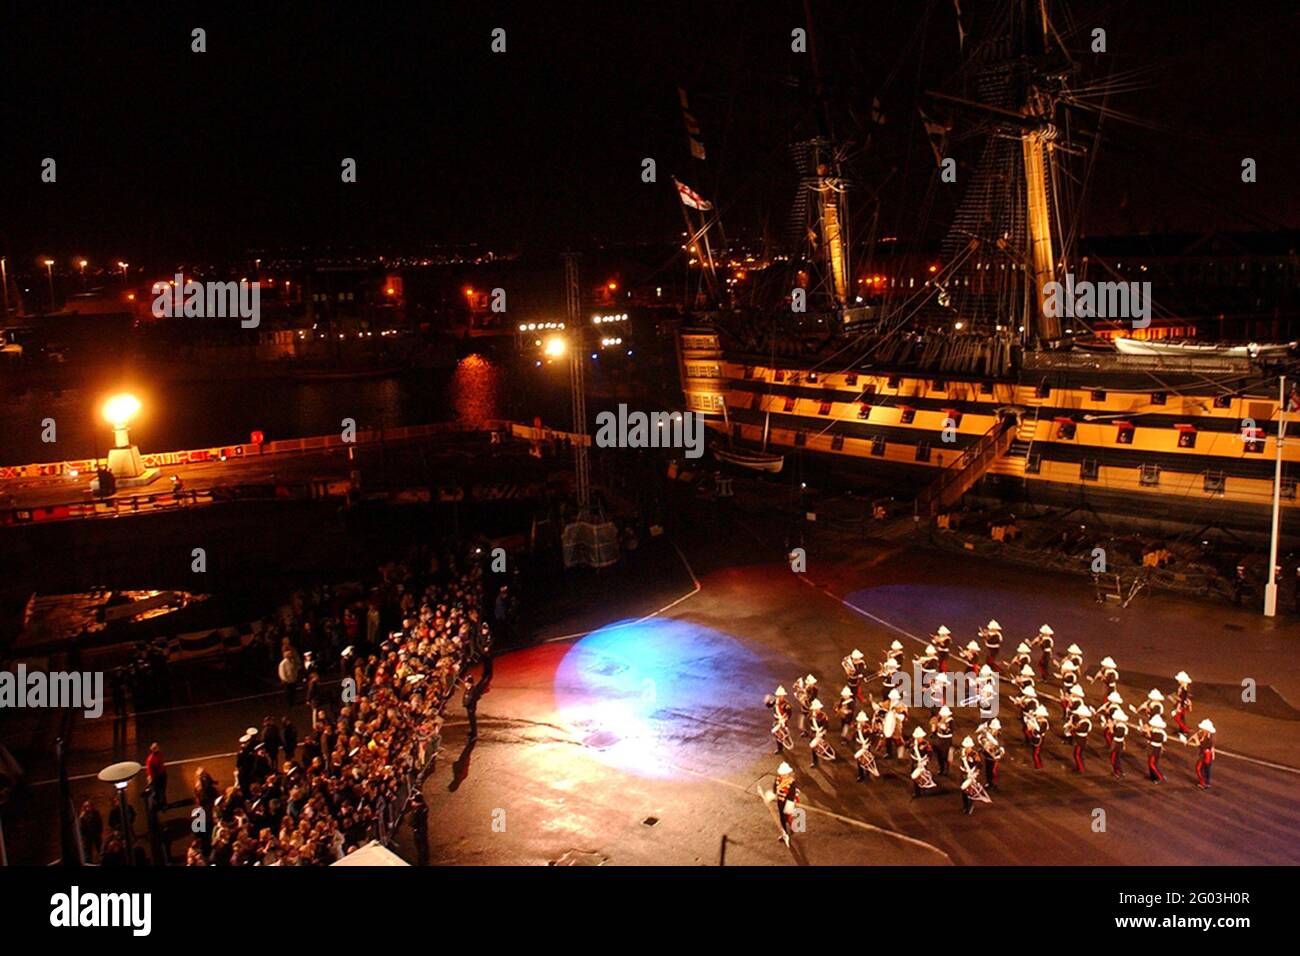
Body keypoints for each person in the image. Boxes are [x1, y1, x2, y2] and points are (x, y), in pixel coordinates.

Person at [1189, 718, 1216, 789]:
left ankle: (1204, 783)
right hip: (1204, 755)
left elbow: (1202, 747)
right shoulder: (1205, 736)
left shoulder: (1209, 739)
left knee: (1199, 768)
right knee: (1204, 769)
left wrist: (1196, 740)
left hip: (1206, 756)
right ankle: (1206, 782)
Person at [774, 762, 798, 840]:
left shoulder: (791, 781)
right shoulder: (778, 779)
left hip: (788, 802)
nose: (783, 775)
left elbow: (792, 794)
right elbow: (775, 788)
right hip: (780, 801)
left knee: (788, 817)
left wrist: (789, 803)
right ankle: (784, 832)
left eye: (785, 774)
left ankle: (793, 827)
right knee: (782, 818)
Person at [1143, 714, 1168, 783]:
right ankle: (1153, 777)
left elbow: (1152, 738)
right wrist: (1145, 730)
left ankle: (1160, 777)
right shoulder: (1153, 730)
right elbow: (1145, 736)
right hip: (1152, 748)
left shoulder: (1161, 733)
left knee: (1152, 763)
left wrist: (1148, 731)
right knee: (1150, 763)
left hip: (1156, 749)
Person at [930, 705, 954, 775]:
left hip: (946, 740)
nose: (943, 716)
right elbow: (935, 728)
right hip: (939, 739)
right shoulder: (939, 719)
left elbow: (951, 730)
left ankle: (946, 769)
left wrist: (945, 728)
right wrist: (934, 729)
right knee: (939, 755)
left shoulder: (950, 721)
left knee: (945, 755)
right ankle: (941, 768)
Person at [145, 742, 168, 810]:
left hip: (162, 775)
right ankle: (158, 804)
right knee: (157, 791)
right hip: (157, 777)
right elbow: (150, 770)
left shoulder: (159, 755)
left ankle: (163, 804)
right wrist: (151, 778)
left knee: (162, 791)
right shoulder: (151, 759)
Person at [1170, 672, 1194, 738]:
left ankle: (1184, 729)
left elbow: (1182, 699)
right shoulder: (1184, 687)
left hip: (1181, 705)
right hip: (1182, 704)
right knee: (1181, 717)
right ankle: (1182, 730)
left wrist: (1178, 705)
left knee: (1177, 717)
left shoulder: (1184, 688)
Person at [409, 791, 430, 865]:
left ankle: (422, 860)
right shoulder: (423, 807)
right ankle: (424, 857)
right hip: (422, 829)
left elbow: (413, 822)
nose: (412, 803)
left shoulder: (418, 811)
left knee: (420, 845)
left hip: (419, 830)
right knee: (424, 844)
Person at [1108, 711, 1129, 778]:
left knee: (1113, 759)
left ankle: (1117, 772)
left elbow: (1116, 735)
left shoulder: (1121, 727)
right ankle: (1121, 771)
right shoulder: (1120, 725)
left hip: (1117, 744)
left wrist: (1111, 728)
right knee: (1117, 758)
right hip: (1119, 743)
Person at [463, 674, 479, 741]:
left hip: (471, 707)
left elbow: (475, 698)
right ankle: (472, 732)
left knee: (473, 721)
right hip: (468, 706)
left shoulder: (473, 690)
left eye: (466, 682)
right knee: (470, 720)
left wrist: (471, 704)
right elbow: (465, 697)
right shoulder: (468, 689)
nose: (465, 684)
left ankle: (474, 734)